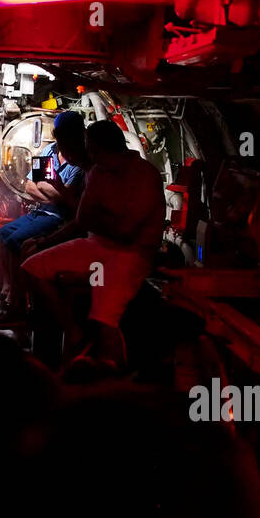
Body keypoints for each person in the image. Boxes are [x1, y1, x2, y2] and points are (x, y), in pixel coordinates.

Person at [20, 119, 166, 369]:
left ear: (102, 148)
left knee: (103, 318)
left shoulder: (145, 176)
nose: (87, 153)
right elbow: (82, 218)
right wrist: (46, 241)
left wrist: (100, 220)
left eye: (91, 148)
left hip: (132, 254)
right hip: (96, 244)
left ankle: (109, 372)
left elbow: (126, 232)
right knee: (31, 268)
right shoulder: (97, 172)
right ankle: (74, 331)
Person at [0, 110, 89, 330]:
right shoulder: (48, 150)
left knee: (17, 241)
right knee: (3, 234)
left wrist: (52, 191)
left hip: (60, 217)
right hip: (43, 210)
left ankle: (17, 303)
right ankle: (6, 292)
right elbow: (30, 185)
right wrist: (52, 193)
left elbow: (63, 197)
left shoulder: (79, 161)